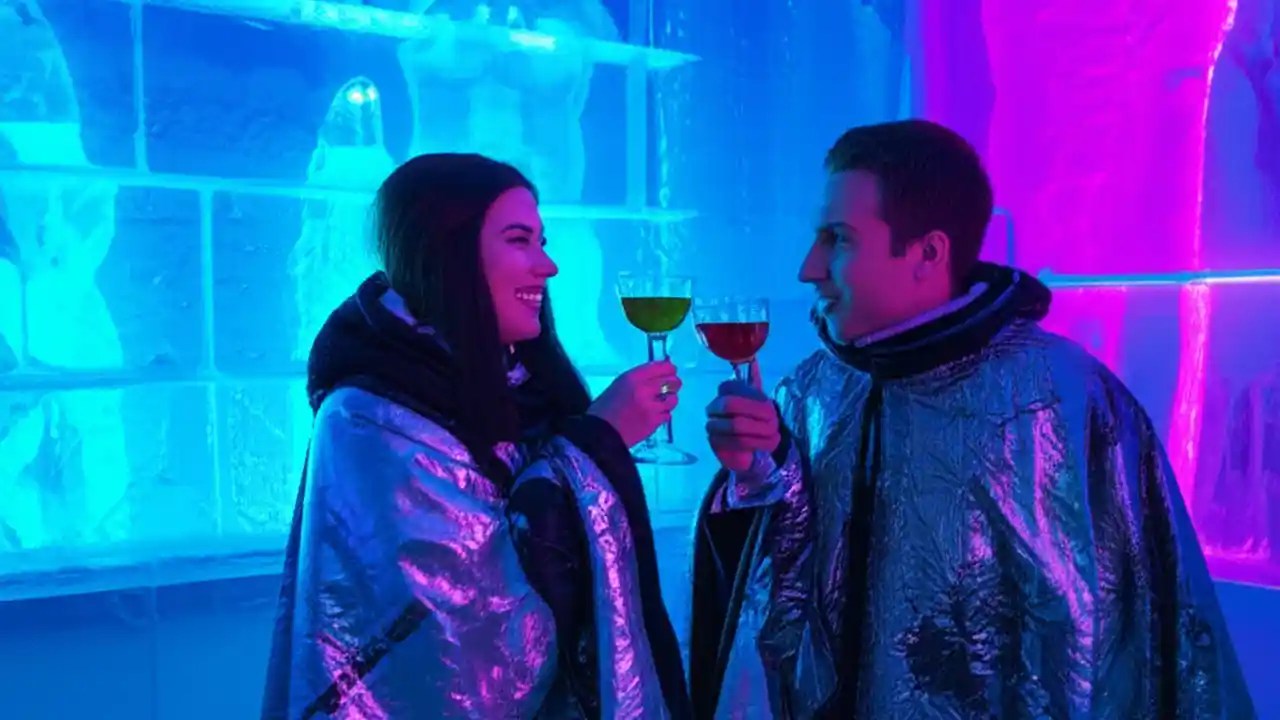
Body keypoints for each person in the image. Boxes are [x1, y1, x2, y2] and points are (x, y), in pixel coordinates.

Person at [690, 120, 1256, 719]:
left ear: (928, 253)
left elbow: (1155, 638)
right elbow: (776, 606)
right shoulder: (809, 389)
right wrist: (758, 476)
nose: (809, 267)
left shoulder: (1066, 403)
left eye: (839, 239)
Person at [262, 153, 691, 719]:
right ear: (448, 253)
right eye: (520, 241)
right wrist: (594, 445)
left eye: (542, 240)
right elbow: (458, 638)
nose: (549, 267)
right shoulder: (366, 421)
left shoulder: (525, 385)